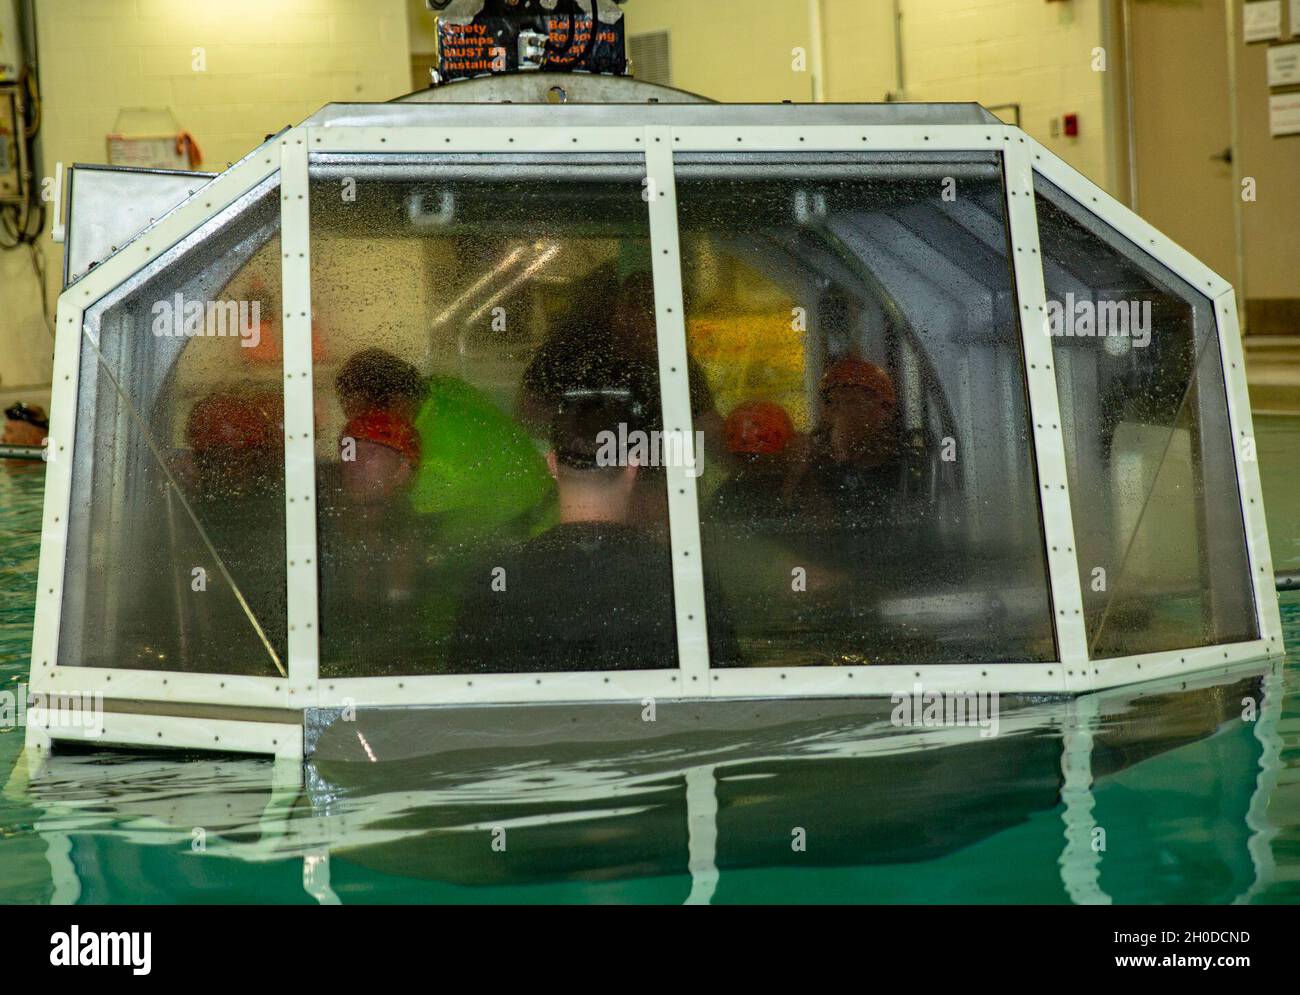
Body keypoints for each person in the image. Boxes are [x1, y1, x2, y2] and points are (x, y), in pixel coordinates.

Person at [447, 387, 740, 672]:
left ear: (552, 464)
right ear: (632, 467)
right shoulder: (683, 582)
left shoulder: (495, 582)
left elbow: (466, 693)